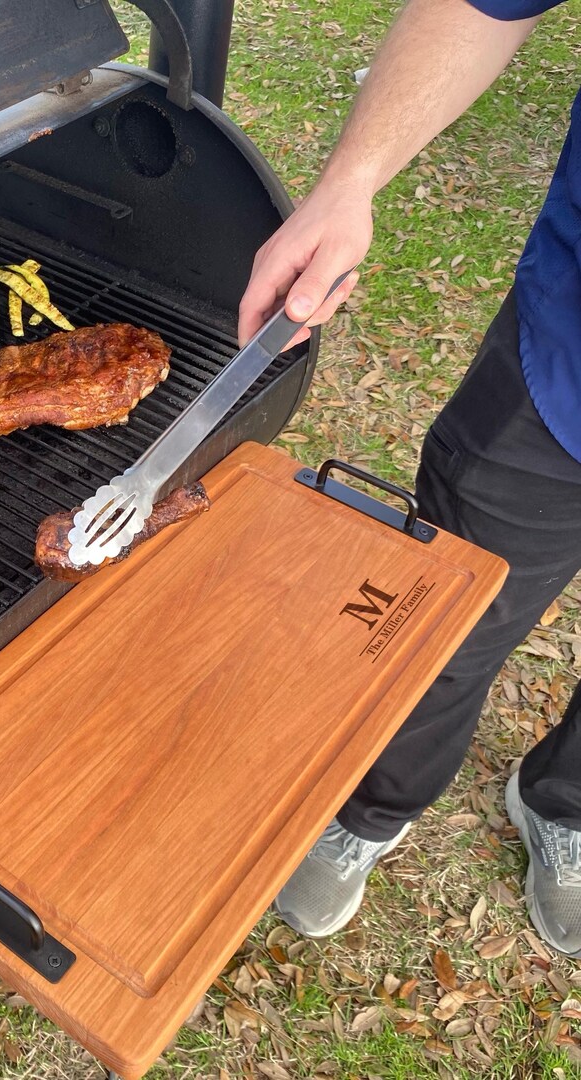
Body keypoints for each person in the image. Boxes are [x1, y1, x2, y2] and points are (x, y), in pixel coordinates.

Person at [238, 0, 581, 957]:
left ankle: (568, 801)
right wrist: (350, 178)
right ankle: (371, 809)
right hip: (571, 374)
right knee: (442, 623)